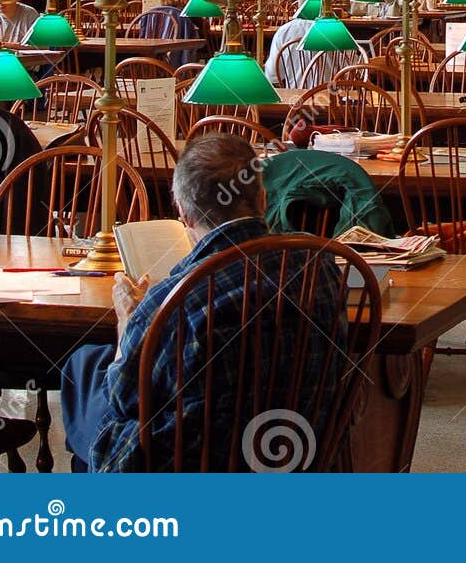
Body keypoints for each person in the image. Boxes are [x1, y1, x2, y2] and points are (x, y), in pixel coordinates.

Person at [60, 134, 343, 472]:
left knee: (84, 367)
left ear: (184, 214)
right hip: (296, 455)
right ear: (263, 198)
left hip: (190, 466)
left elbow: (124, 400)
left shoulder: (171, 301)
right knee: (93, 365)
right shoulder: (318, 260)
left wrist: (127, 322)